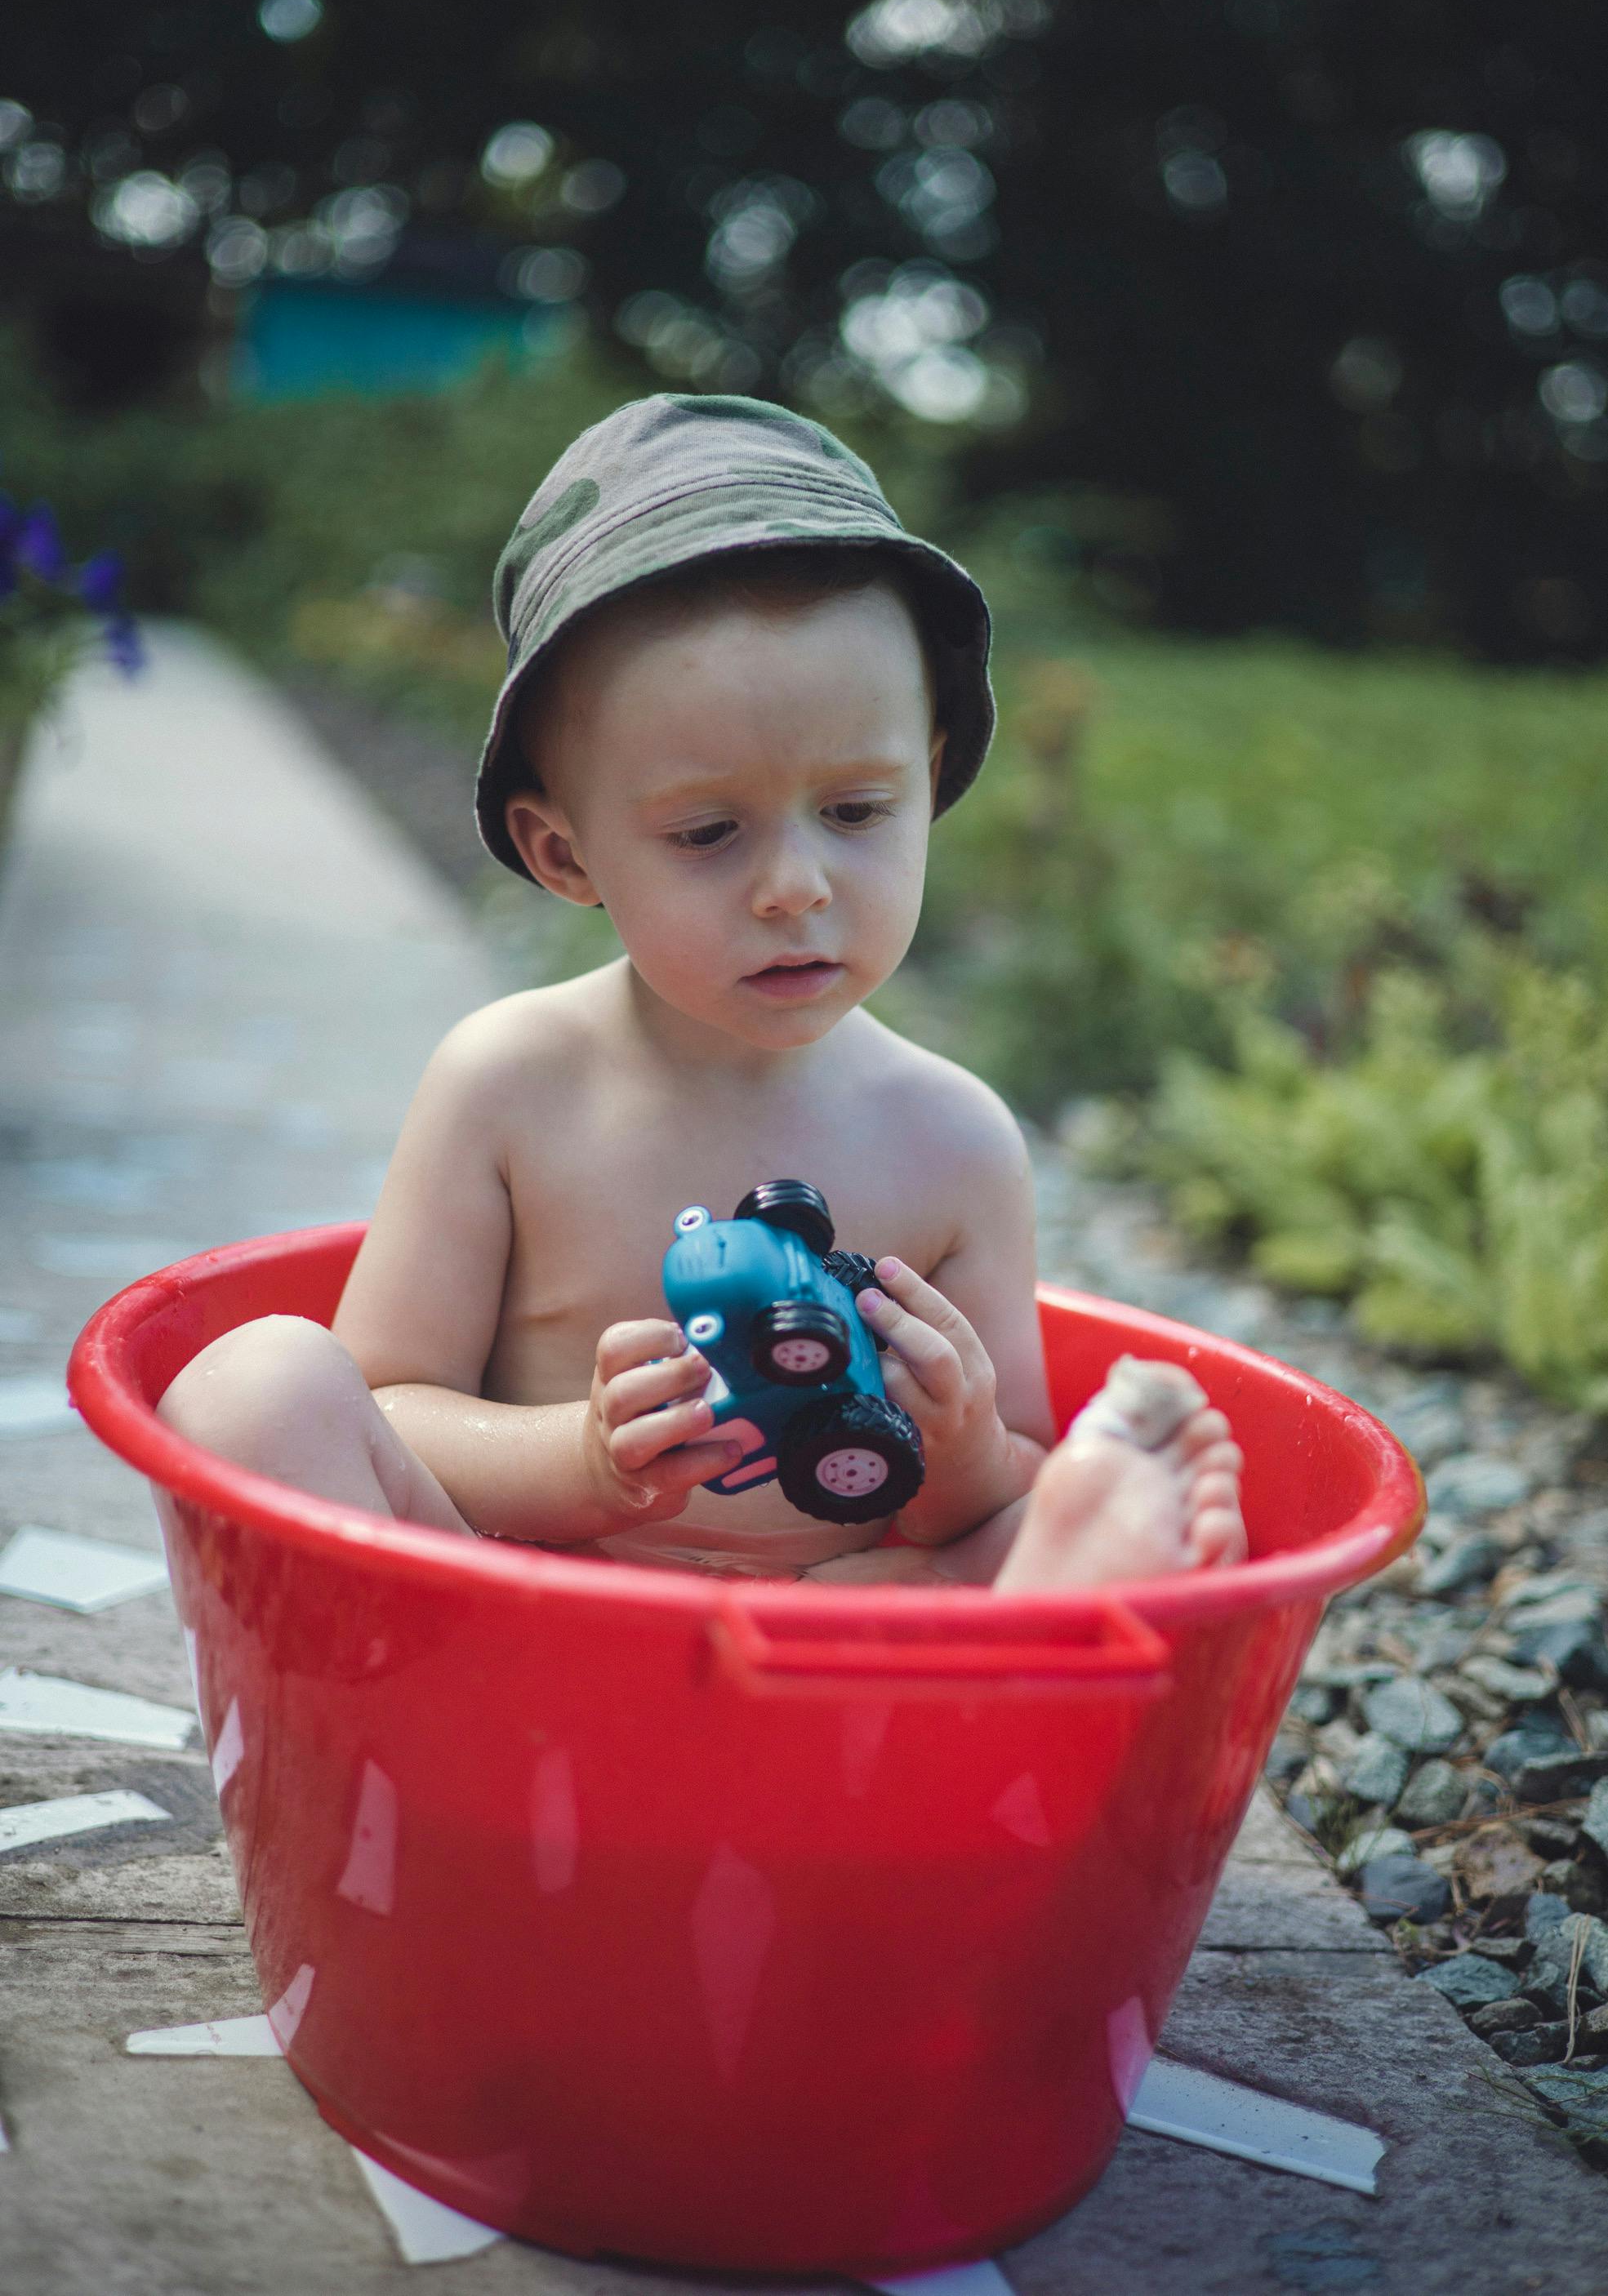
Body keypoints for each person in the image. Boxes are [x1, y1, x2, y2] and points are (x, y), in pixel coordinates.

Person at [158, 394, 1245, 1590]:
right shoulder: (513, 1084)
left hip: (842, 1650)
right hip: (517, 1609)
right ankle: (383, 1719)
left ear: (928, 786)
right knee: (254, 1386)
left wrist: (971, 1447)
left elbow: (973, 1500)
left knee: (1063, 1508)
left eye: (855, 812)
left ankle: (1087, 1584)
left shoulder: (952, 1137)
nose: (793, 886)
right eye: (708, 831)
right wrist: (576, 1460)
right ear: (565, 855)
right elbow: (389, 1404)